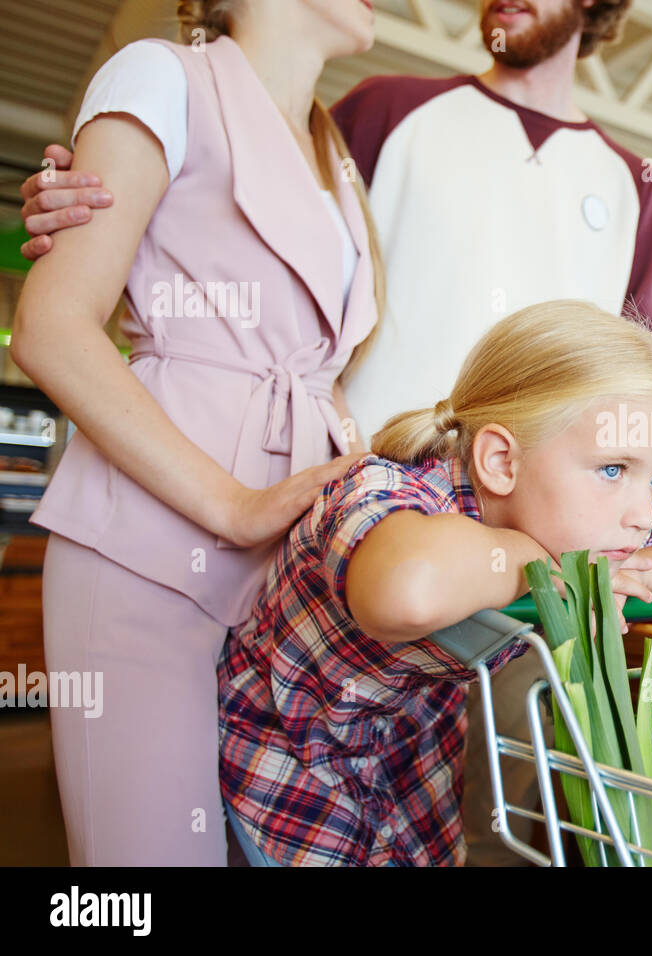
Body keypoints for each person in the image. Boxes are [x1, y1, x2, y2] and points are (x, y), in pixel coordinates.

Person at [21, 0, 652, 867]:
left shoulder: (333, 145)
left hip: (340, 565)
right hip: (253, 539)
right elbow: (73, 308)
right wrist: (95, 181)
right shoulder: (347, 107)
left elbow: (630, 383)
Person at [10, 0, 384, 865]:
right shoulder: (158, 74)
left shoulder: (335, 153)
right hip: (149, 549)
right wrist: (234, 504)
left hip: (293, 576)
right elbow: (51, 327)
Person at [218, 300, 652, 865]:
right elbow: (404, 590)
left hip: (412, 757)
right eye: (612, 469)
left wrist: (620, 575)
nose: (645, 515)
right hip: (288, 761)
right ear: (502, 461)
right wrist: (534, 562)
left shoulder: (595, 520)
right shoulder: (387, 489)